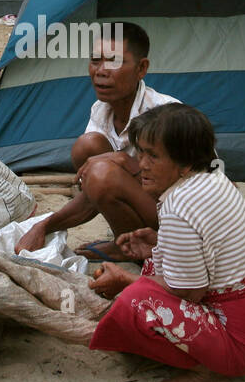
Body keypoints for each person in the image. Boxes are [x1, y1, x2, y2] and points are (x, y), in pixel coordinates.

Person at [86, 104, 245, 382]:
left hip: (244, 348)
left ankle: (209, 372)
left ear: (183, 164)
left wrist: (124, 280)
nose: (140, 164)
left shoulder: (179, 207)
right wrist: (160, 244)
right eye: (140, 152)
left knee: (135, 301)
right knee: (150, 268)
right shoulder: (211, 178)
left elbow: (190, 293)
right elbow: (209, 247)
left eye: (152, 156)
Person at [14, 22, 179, 261]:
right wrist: (44, 226)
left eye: (114, 61)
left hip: (180, 222)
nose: (101, 71)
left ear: (141, 68)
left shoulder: (167, 115)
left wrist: (124, 162)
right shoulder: (101, 110)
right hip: (148, 206)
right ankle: (127, 242)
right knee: (88, 147)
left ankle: (153, 250)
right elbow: (92, 193)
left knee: (103, 171)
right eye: (95, 60)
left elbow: (203, 192)